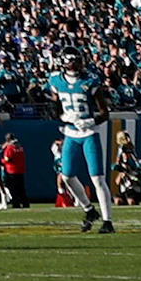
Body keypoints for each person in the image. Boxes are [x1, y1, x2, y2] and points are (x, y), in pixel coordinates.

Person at [44, 59, 119, 237]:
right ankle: (89, 209)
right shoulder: (56, 81)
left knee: (97, 179)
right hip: (70, 133)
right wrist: (64, 117)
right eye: (73, 62)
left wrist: (90, 121)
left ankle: (108, 221)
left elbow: (104, 113)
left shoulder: (90, 81)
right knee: (67, 176)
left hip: (89, 133)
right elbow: (54, 109)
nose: (78, 65)